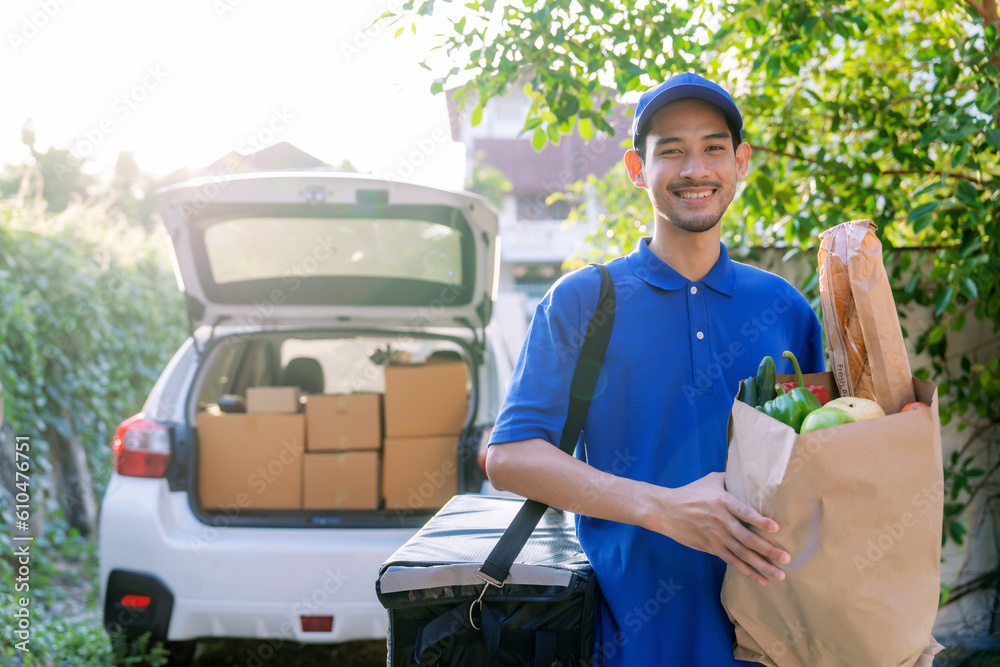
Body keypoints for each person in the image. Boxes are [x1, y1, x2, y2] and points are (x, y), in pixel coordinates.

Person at [486, 72, 825, 665]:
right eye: (671, 150)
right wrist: (661, 507)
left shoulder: (784, 307)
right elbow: (509, 457)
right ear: (637, 169)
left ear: (740, 162)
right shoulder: (582, 301)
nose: (696, 168)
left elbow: (823, 462)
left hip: (774, 640)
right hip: (627, 640)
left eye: (713, 148)